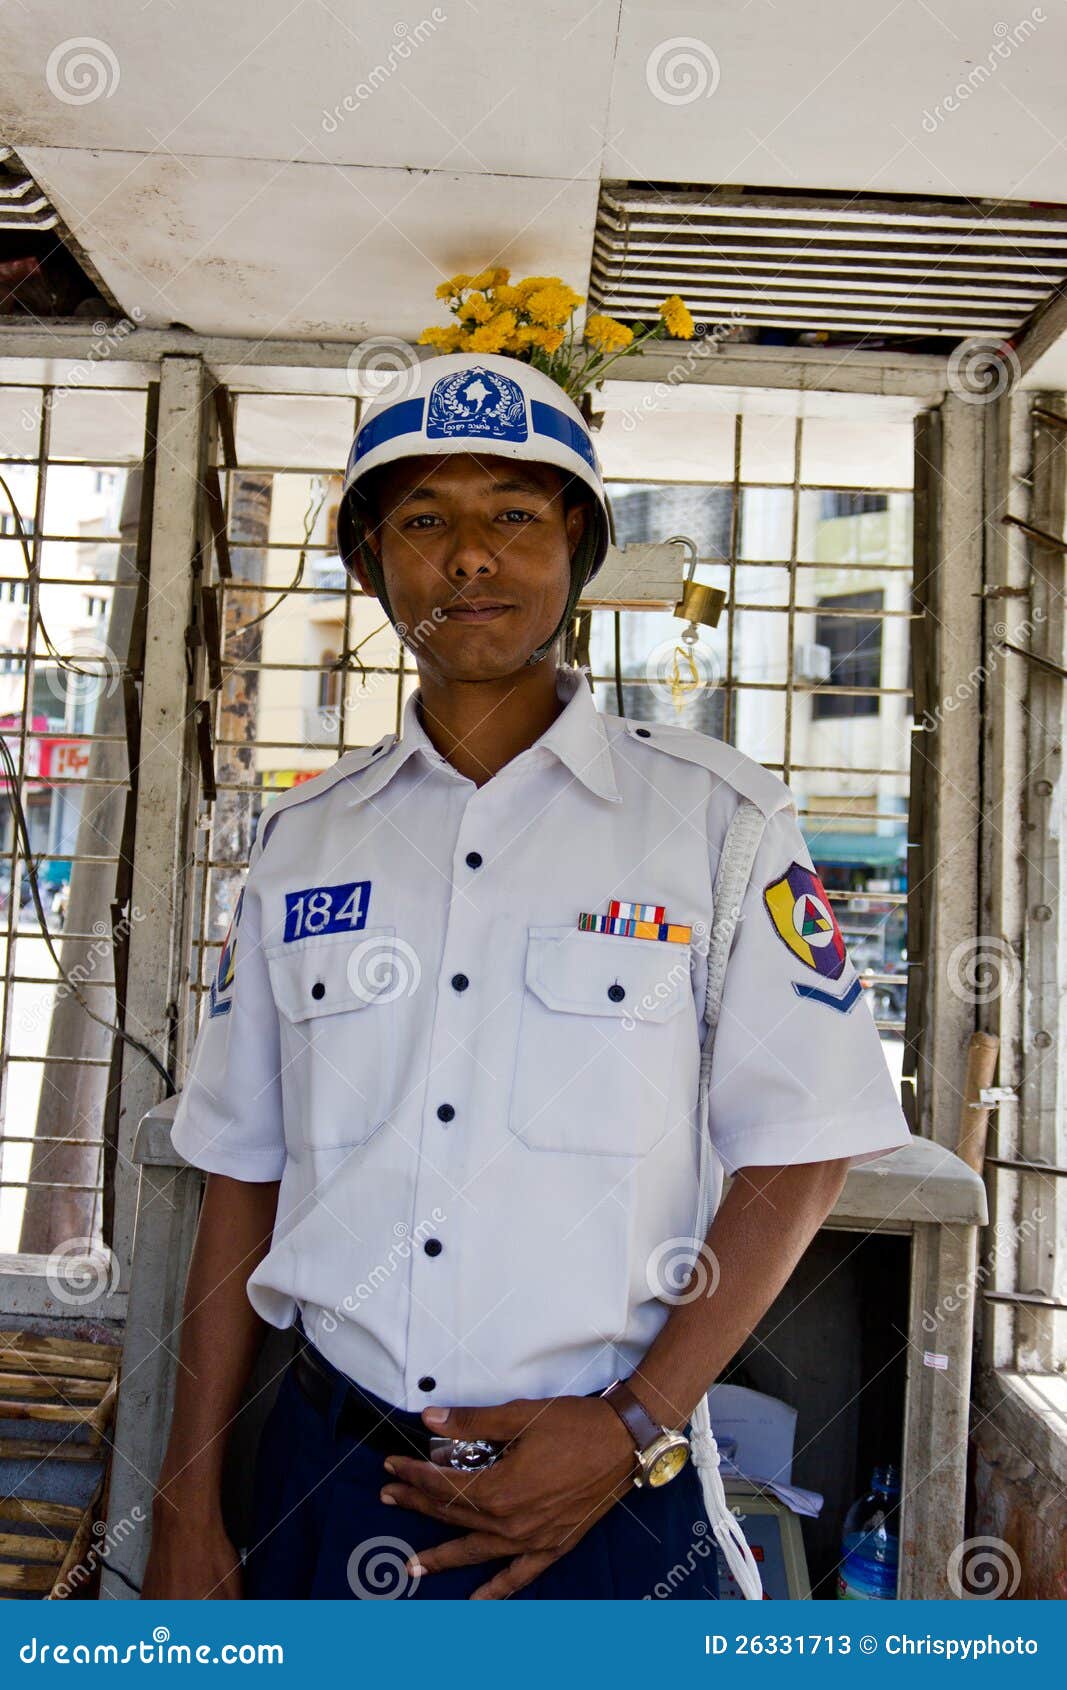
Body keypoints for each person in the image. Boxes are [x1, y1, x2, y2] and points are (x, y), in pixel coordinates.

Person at [143, 352, 912, 1602]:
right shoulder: (303, 843)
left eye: (513, 514)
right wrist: (184, 1505)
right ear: (367, 563)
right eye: (423, 521)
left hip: (612, 1493)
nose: (469, 557)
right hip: (327, 1480)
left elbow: (802, 1147)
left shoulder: (715, 822)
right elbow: (239, 1173)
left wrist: (634, 1421)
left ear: (577, 552)